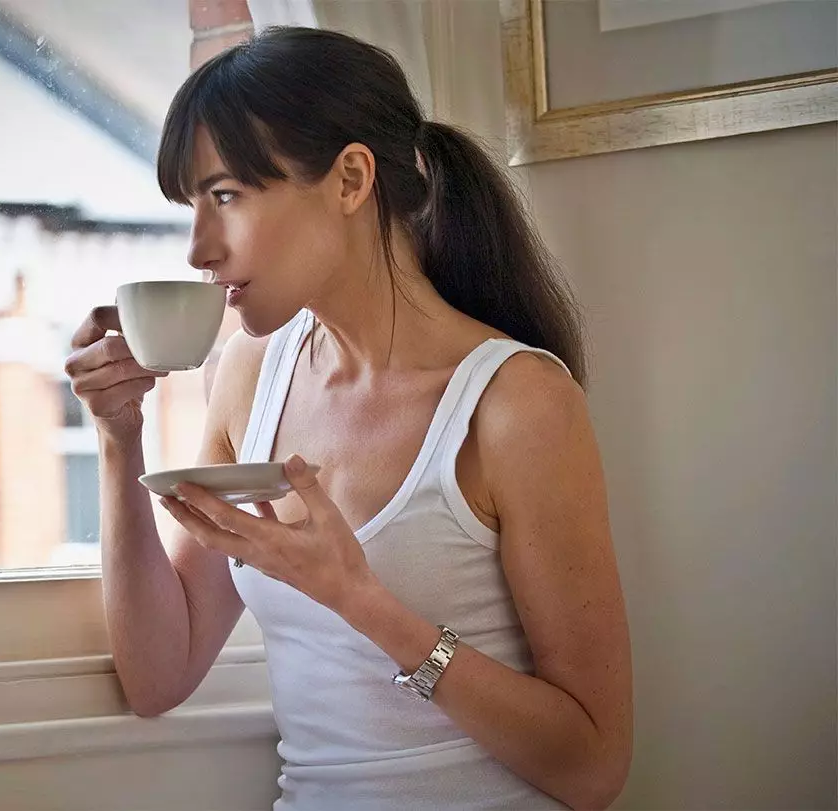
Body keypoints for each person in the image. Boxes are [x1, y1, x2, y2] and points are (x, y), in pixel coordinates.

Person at [64, 26, 632, 811]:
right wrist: (117, 437)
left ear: (351, 178)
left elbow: (594, 768)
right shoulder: (249, 379)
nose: (198, 248)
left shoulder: (516, 406)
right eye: (191, 206)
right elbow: (159, 675)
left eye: (225, 196)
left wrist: (362, 601)